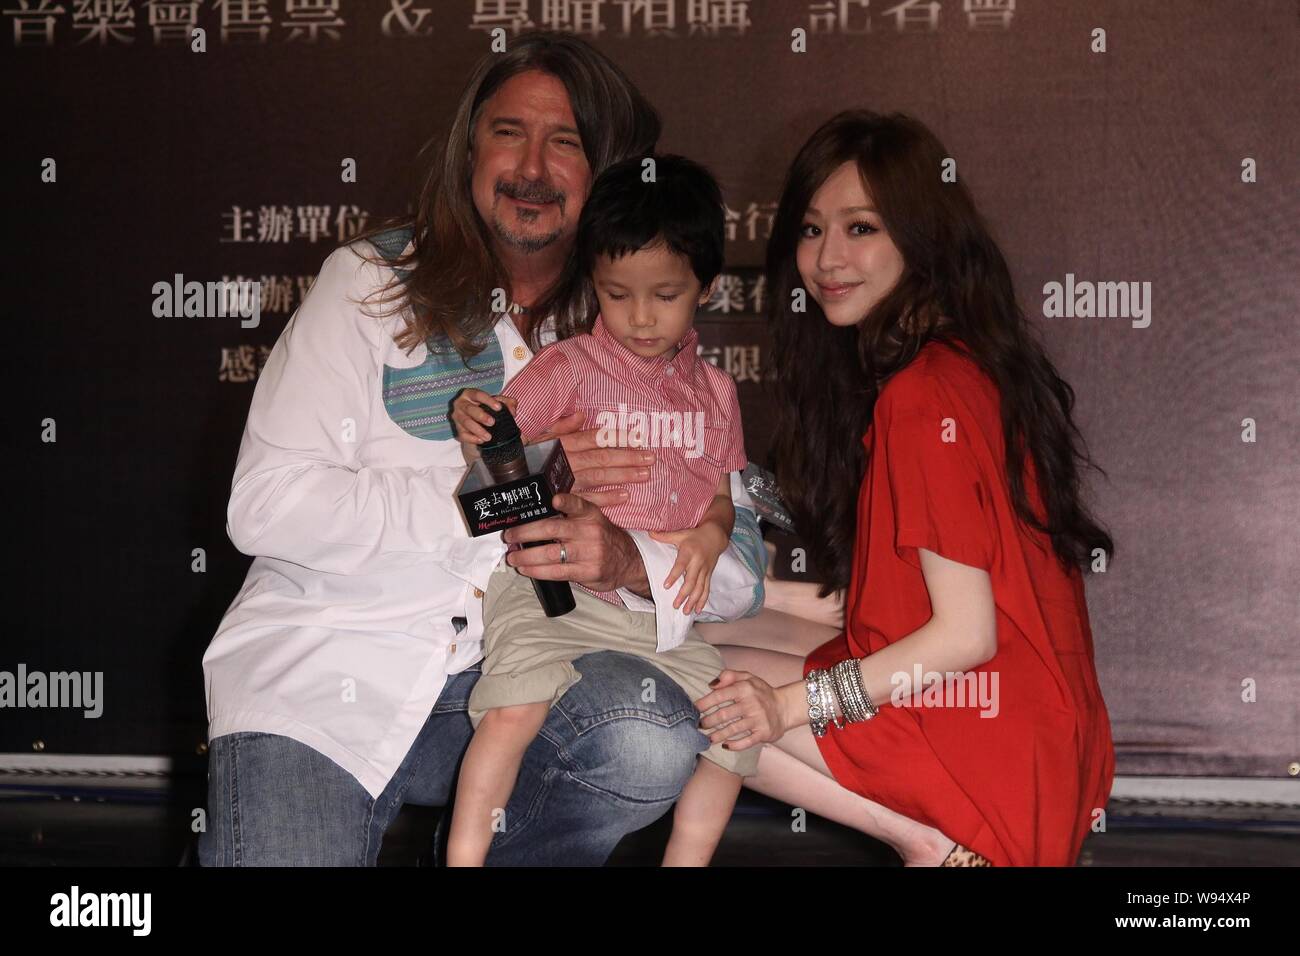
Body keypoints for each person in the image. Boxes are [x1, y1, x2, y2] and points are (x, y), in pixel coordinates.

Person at [198, 31, 767, 867]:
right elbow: (267, 504)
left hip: (533, 670)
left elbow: (743, 569)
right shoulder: (367, 284)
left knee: (645, 735)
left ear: (606, 170)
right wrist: (515, 482)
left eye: (565, 141)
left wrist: (625, 560)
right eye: (508, 133)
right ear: (470, 148)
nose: (531, 167)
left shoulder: (642, 332)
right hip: (326, 672)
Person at [693, 110, 1117, 866]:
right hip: (1038, 738)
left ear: (920, 236)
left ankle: (948, 844)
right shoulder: (962, 362)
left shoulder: (923, 398)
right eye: (812, 229)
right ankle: (940, 845)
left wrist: (787, 707)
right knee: (700, 635)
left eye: (862, 229)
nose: (827, 258)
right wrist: (727, 591)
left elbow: (962, 635)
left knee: (690, 674)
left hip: (982, 741)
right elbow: (903, 603)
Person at [446, 155, 758, 867]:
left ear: (705, 287)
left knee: (738, 725)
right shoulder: (571, 366)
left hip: (653, 613)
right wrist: (477, 418)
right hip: (548, 585)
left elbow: (720, 491)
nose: (641, 318)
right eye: (618, 295)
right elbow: (496, 458)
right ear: (594, 285)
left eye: (666, 295)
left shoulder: (714, 392)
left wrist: (713, 533)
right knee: (514, 706)